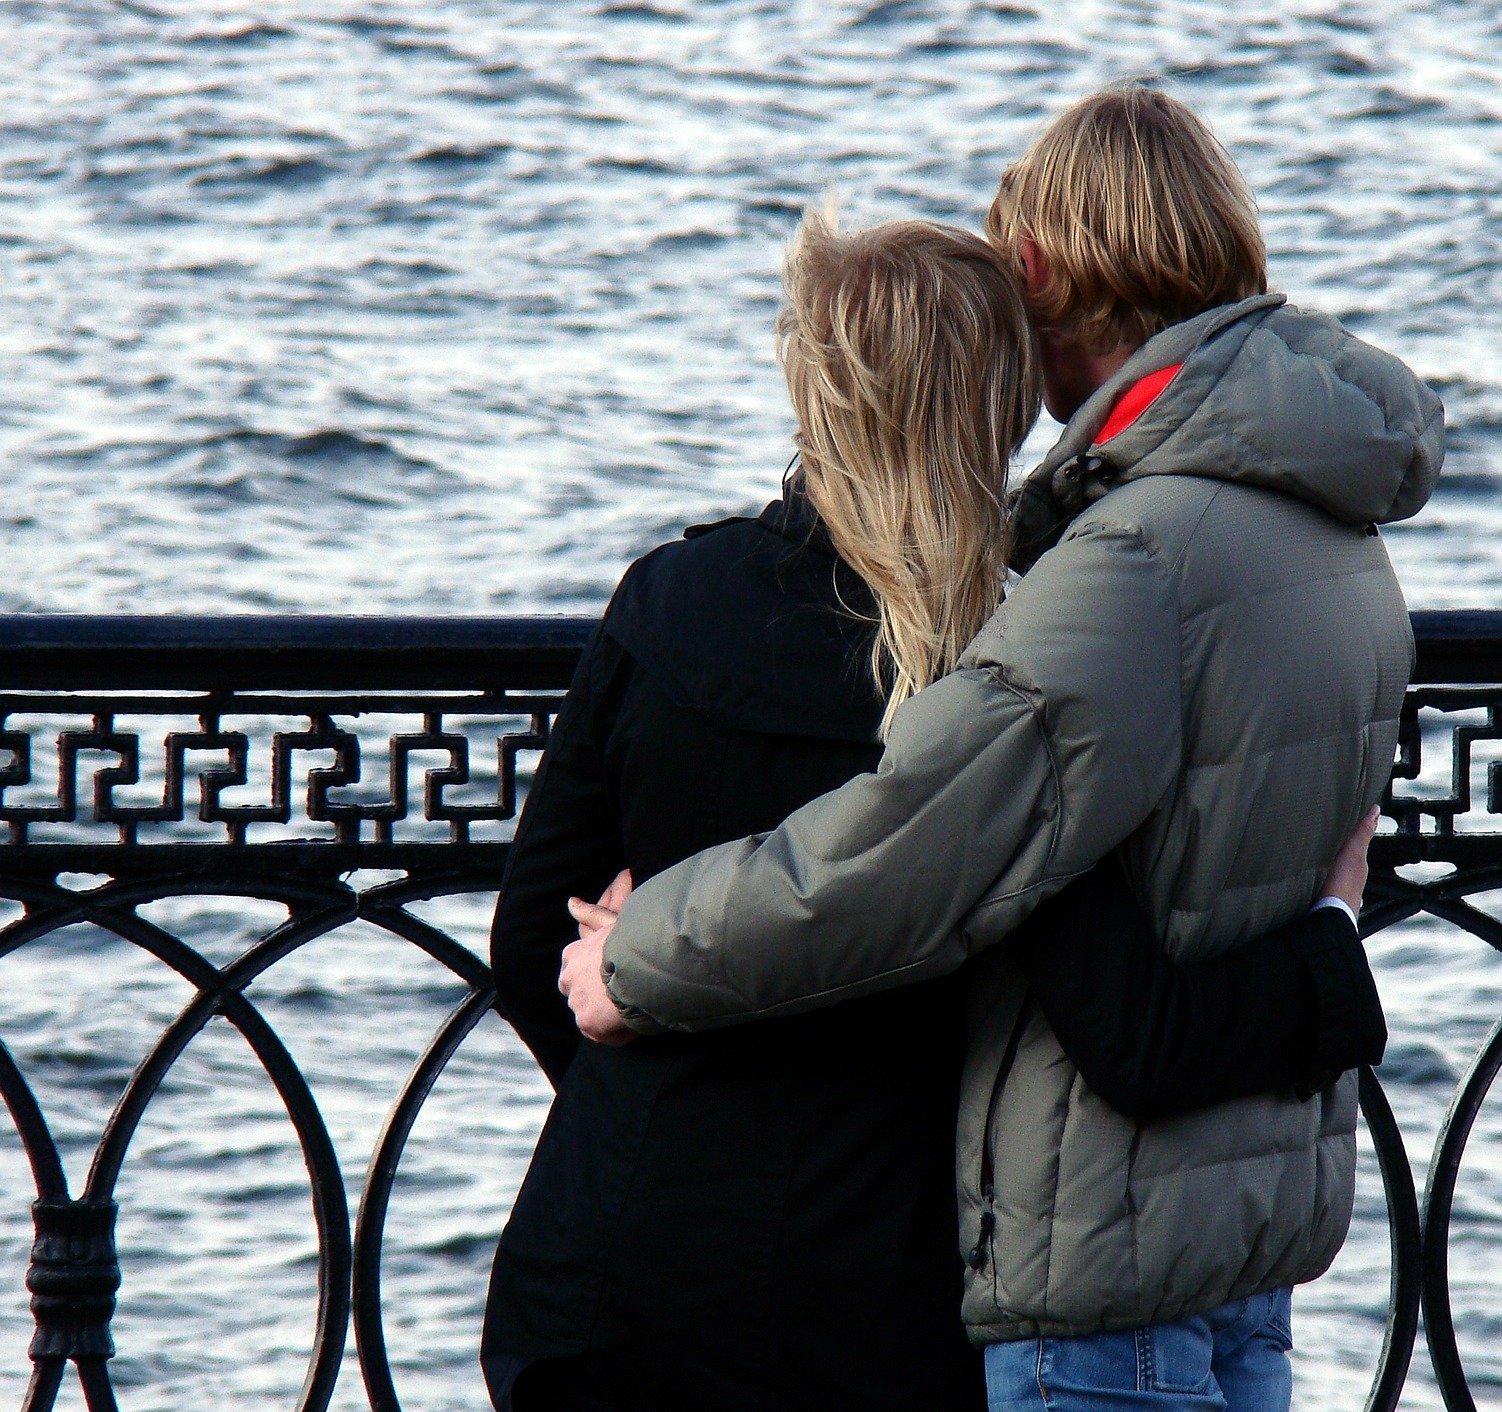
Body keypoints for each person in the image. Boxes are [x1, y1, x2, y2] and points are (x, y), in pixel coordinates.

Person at [563, 85, 1442, 1410]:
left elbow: (909, 848)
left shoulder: (1137, 557)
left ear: (1039, 270)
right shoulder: (1329, 520)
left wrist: (634, 957)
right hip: (1239, 1241)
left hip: (1102, 1264)